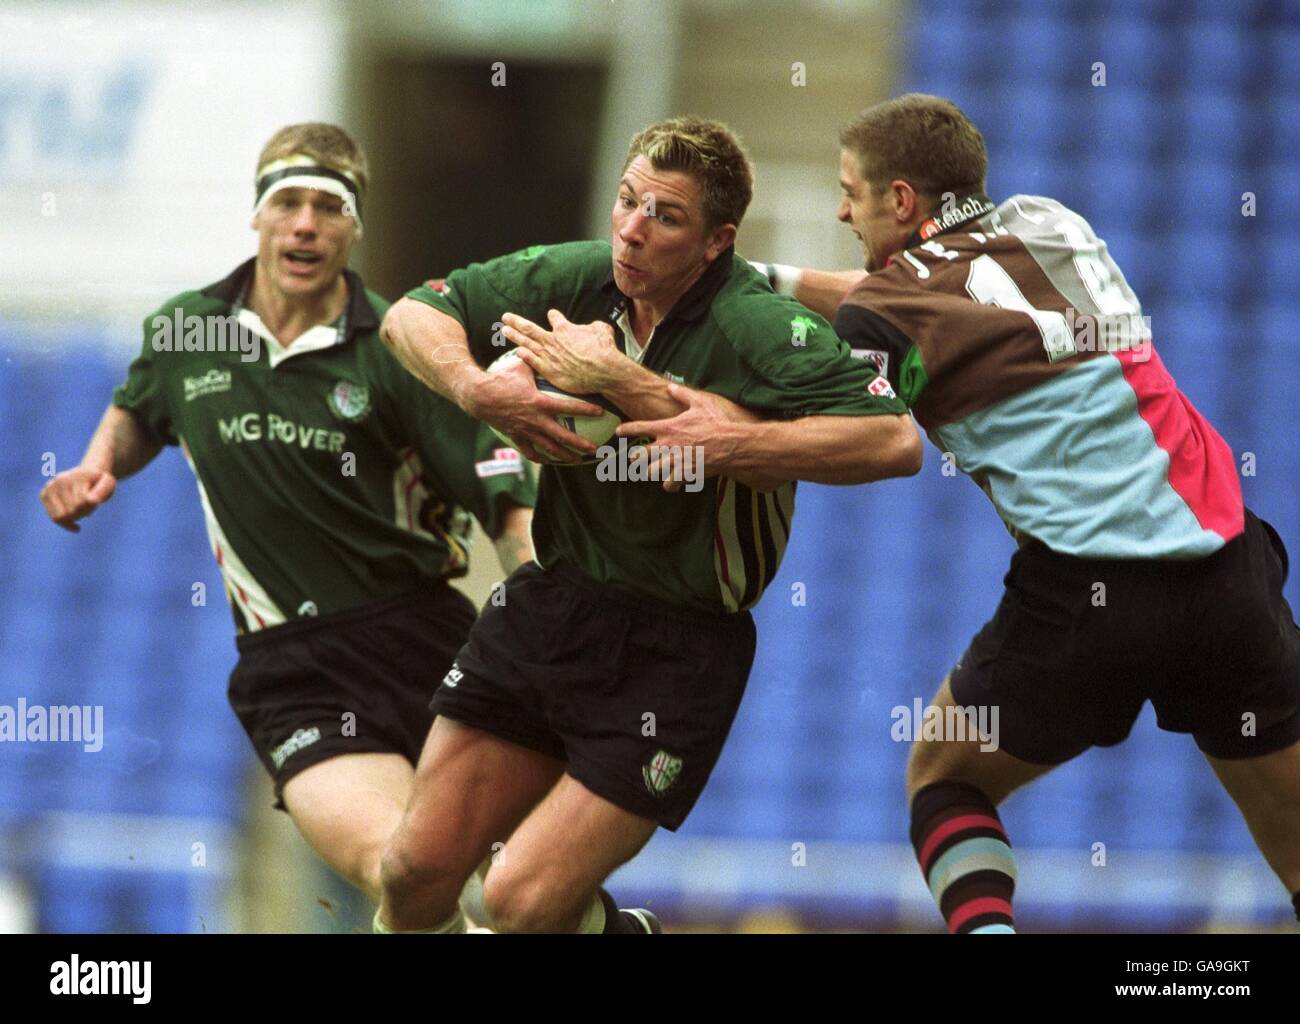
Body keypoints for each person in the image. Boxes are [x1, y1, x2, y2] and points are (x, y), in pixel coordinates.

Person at [649, 93, 1300, 933]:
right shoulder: (1049, 222)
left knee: (945, 778)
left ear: (901, 200)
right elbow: (932, 296)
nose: (842, 211)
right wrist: (761, 279)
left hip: (1090, 594)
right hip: (1229, 571)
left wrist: (714, 434)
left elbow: (865, 425)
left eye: (851, 192)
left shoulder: (886, 315)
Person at [375, 115, 922, 934]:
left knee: (519, 902)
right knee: (413, 870)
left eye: (665, 216)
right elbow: (413, 313)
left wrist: (727, 440)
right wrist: (474, 387)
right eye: (628, 201)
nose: (632, 229)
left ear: (716, 241)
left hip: (677, 646)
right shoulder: (578, 280)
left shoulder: (757, 326)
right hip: (551, 604)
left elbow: (894, 440)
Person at [38, 123, 536, 918]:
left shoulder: (400, 349)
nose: (306, 224)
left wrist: (539, 596)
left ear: (354, 227)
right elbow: (139, 406)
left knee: (522, 888)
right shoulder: (188, 332)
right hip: (293, 668)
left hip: (425, 645)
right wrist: (98, 465)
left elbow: (502, 491)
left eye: (329, 207)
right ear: (258, 215)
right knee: (402, 873)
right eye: (288, 203)